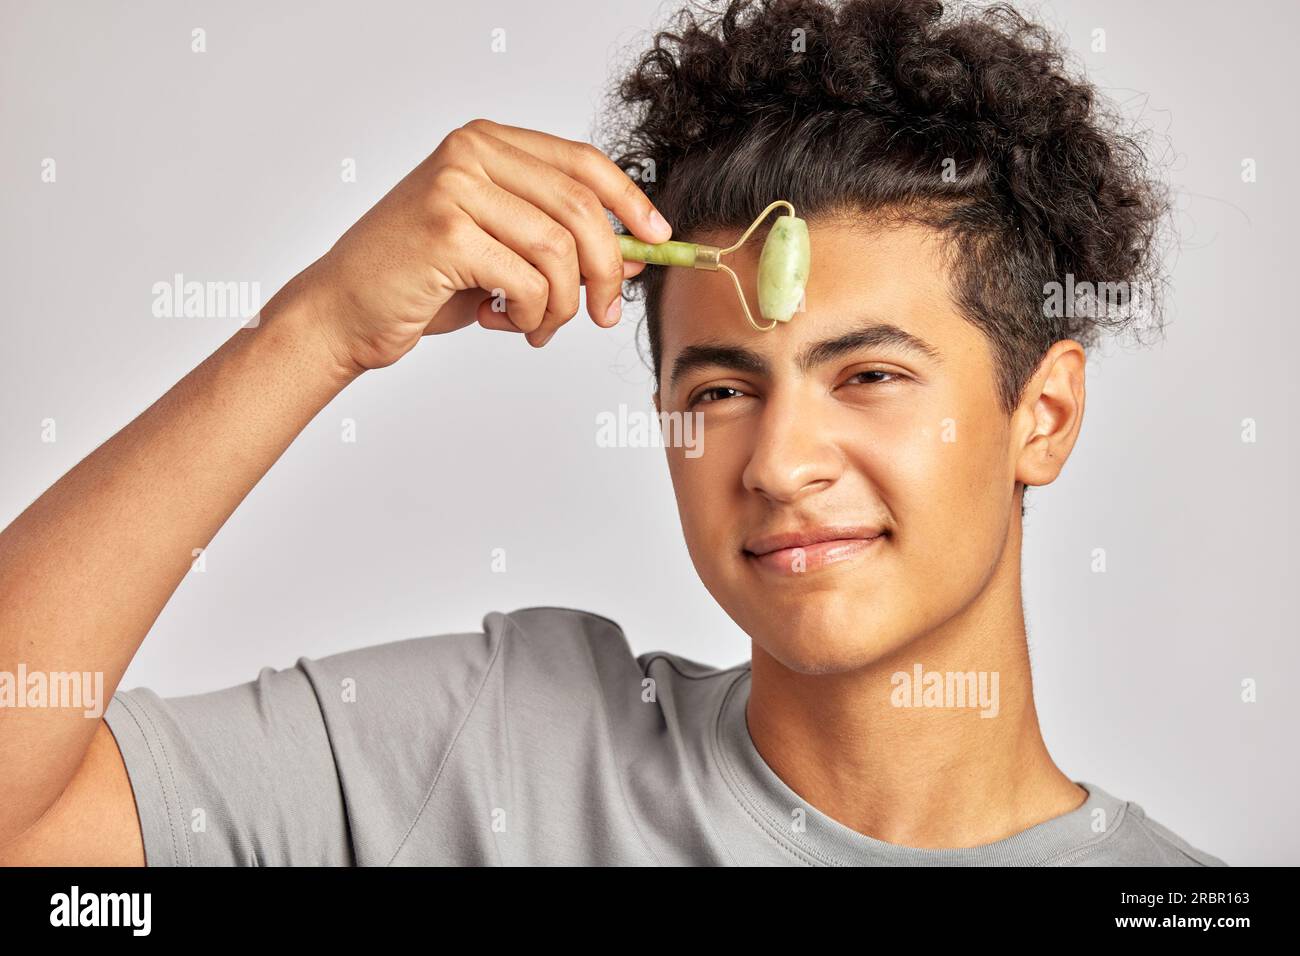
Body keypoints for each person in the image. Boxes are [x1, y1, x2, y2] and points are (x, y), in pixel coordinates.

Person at [0, 0, 1226, 866]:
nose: (781, 461)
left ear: (1043, 414)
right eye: (719, 390)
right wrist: (314, 327)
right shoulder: (496, 749)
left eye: (867, 374)